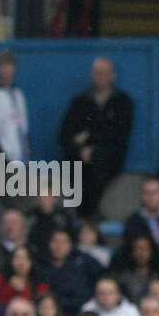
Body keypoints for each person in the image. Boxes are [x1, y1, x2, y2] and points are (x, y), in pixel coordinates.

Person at [57, 56, 134, 220]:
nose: (100, 77)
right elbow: (64, 137)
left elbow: (119, 136)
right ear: (92, 75)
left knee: (98, 166)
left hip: (108, 164)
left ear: (113, 76)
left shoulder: (122, 102)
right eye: (97, 73)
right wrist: (81, 149)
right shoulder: (79, 103)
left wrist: (92, 145)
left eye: (104, 73)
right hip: (79, 165)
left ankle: (92, 220)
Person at [0, 48, 31, 165]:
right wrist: (4, 165)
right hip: (4, 164)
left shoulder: (18, 95)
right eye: (1, 64)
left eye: (8, 64)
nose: (5, 69)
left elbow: (24, 131)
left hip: (21, 162)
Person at [40, 229, 101, 316]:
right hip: (53, 313)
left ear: (70, 245)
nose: (59, 246)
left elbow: (102, 278)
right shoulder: (41, 265)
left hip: (85, 310)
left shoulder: (85, 261)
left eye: (64, 242)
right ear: (49, 244)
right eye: (55, 241)